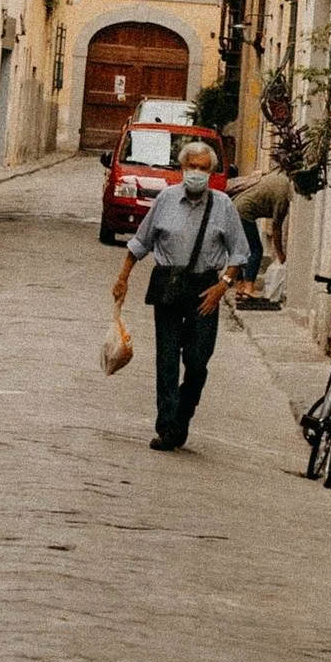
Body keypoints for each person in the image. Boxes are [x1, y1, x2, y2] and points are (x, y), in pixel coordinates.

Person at [111, 139, 248, 451]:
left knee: (198, 361)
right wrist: (123, 277)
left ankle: (183, 413)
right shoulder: (167, 199)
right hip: (168, 285)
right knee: (168, 358)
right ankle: (167, 427)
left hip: (205, 290)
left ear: (211, 173)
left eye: (202, 168)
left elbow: (240, 255)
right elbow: (141, 242)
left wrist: (222, 285)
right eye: (191, 167)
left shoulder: (223, 206)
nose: (196, 173)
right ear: (182, 168)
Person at [229, 169, 292, 301]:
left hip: (236, 207)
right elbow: (276, 228)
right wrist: (280, 254)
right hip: (243, 213)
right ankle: (248, 288)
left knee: (241, 250)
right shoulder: (283, 195)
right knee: (256, 250)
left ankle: (240, 287)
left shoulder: (278, 175)